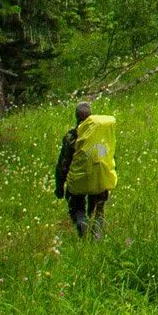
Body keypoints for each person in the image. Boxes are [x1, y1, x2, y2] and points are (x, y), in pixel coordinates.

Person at [53, 100, 118, 238]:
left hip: (79, 181)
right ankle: (97, 234)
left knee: (77, 207)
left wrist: (59, 186)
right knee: (98, 210)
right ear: (90, 117)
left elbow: (63, 164)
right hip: (100, 179)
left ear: (77, 117)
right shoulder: (102, 136)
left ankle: (82, 225)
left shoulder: (72, 137)